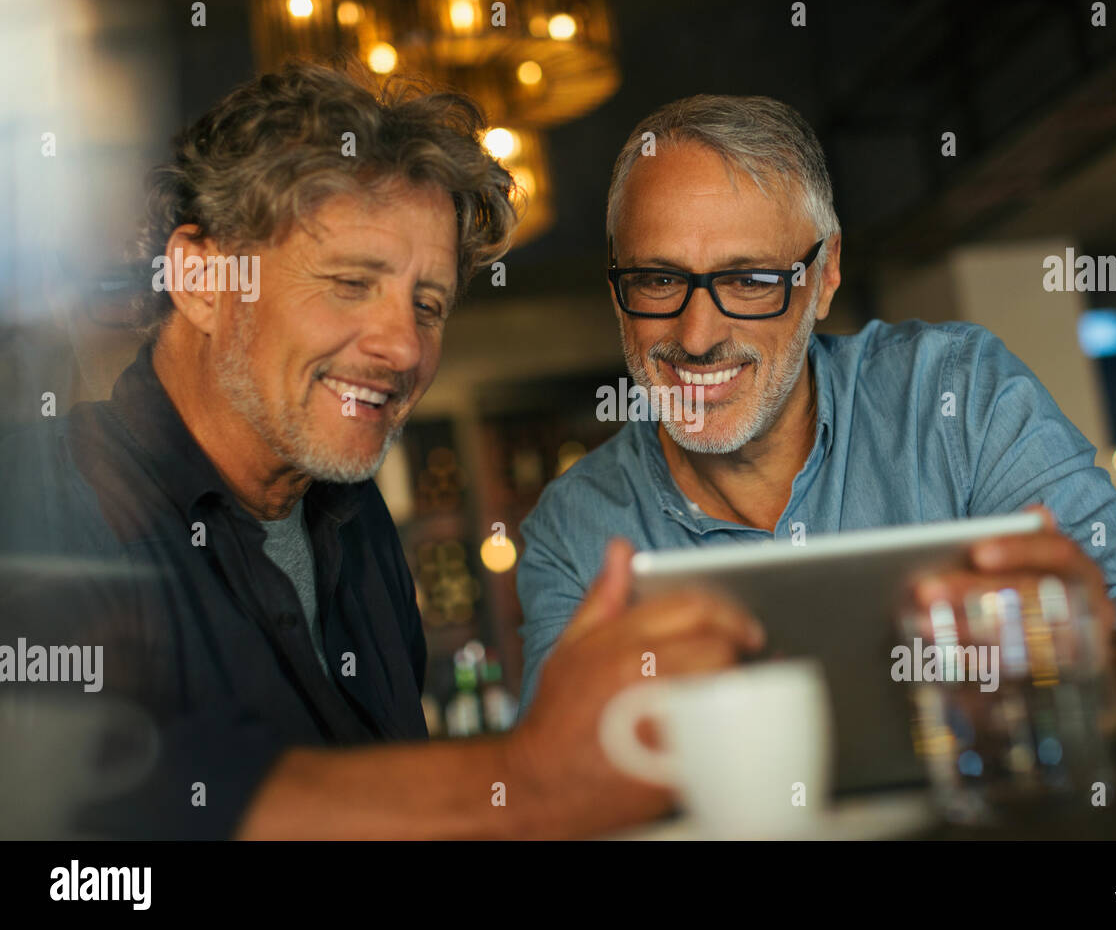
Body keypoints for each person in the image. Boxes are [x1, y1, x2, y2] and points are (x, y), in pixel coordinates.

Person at [0, 61, 763, 839]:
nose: (403, 347)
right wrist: (528, 777)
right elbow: (86, 811)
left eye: (427, 305)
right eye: (351, 283)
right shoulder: (37, 498)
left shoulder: (352, 516)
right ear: (200, 277)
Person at [518, 94, 1116, 722]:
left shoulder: (960, 396)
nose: (696, 338)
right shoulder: (575, 530)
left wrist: (1077, 684)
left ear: (825, 276)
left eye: (752, 280)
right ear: (617, 289)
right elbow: (553, 771)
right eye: (659, 279)